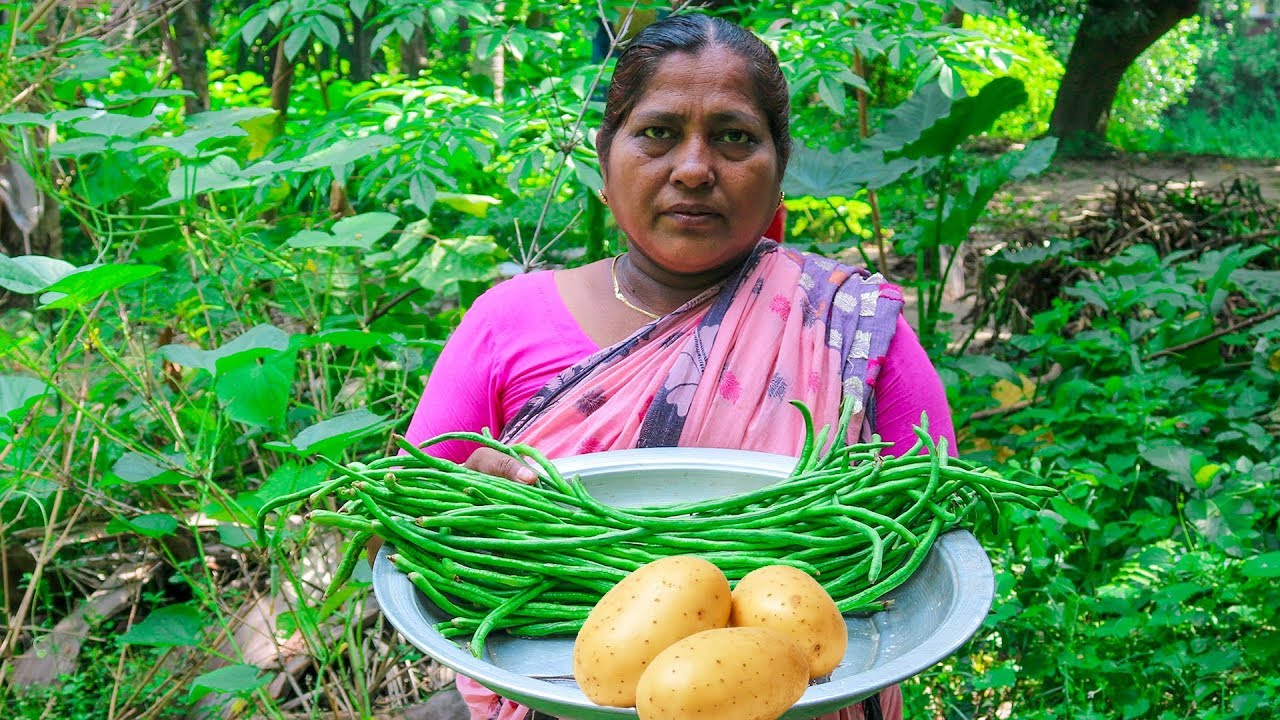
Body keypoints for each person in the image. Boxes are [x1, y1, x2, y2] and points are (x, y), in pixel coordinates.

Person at [403, 12, 955, 720]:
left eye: (734, 137)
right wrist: (469, 511)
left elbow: (933, 541)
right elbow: (406, 537)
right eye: (659, 132)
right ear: (606, 161)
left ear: (779, 170)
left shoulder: (849, 326)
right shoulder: (506, 323)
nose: (694, 168)